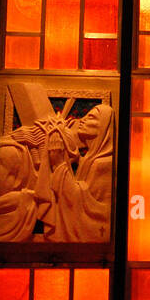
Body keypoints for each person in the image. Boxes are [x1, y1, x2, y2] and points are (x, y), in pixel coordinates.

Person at [45, 103, 115, 242]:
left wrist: (58, 163)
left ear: (103, 127)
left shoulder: (103, 163)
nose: (81, 120)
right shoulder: (93, 158)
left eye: (91, 117)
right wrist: (77, 159)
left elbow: (82, 202)